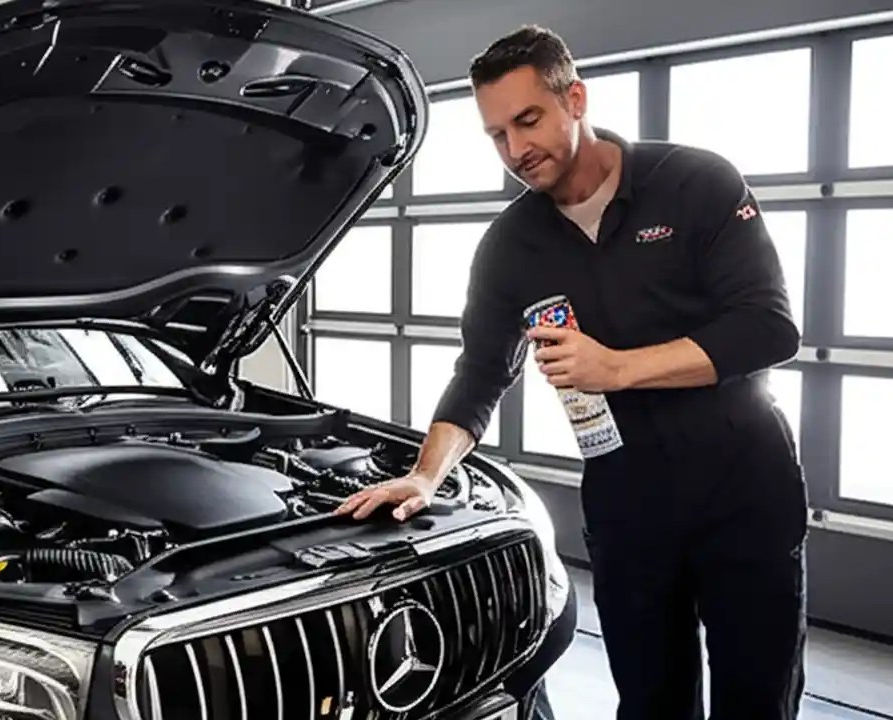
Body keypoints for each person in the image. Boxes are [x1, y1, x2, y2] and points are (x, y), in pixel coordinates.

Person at [335, 24, 809, 720]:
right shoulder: (509, 246)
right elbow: (479, 372)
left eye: (528, 120)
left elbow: (769, 327)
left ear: (575, 99)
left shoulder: (696, 181)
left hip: (743, 484)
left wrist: (616, 368)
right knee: (650, 702)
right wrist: (424, 473)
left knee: (758, 700)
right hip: (628, 502)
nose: (516, 149)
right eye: (497, 135)